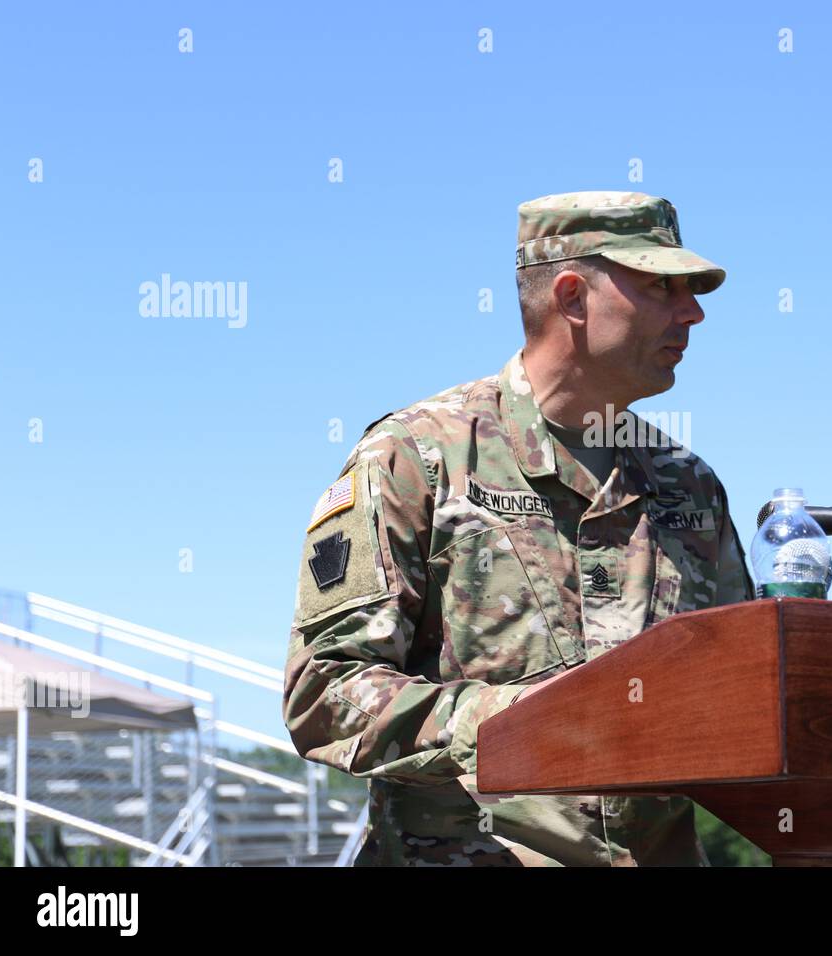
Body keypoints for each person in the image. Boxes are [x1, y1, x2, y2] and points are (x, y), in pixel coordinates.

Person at [282, 190, 755, 866]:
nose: (694, 312)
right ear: (571, 296)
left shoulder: (690, 485)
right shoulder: (418, 457)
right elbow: (323, 693)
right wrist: (531, 724)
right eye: (662, 286)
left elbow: (744, 696)